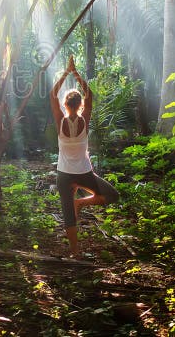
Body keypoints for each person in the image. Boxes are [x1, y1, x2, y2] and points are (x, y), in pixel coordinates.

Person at [50, 55, 119, 256]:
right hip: (83, 174)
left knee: (68, 214)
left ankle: (75, 252)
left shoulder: (60, 122)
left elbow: (52, 95)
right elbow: (90, 96)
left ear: (65, 104)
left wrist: (66, 72)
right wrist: (76, 73)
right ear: (80, 105)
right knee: (112, 195)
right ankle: (81, 202)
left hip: (64, 175)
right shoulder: (84, 121)